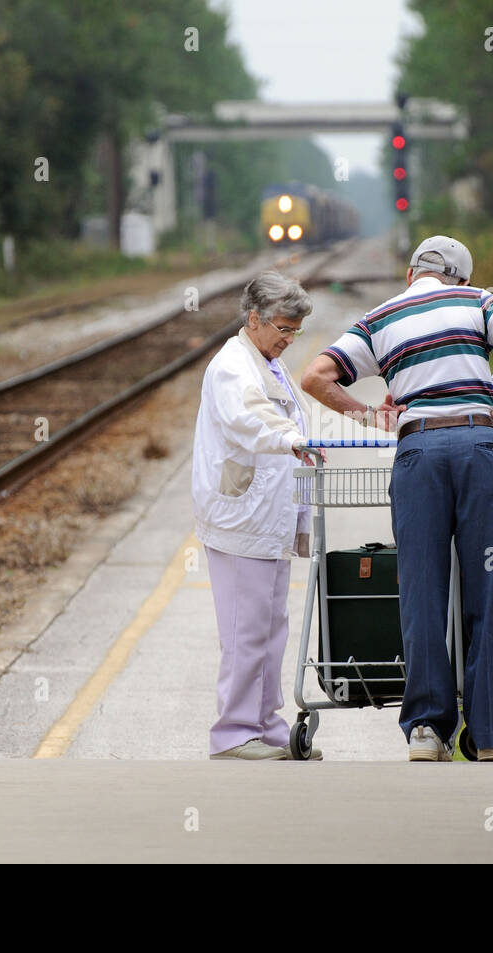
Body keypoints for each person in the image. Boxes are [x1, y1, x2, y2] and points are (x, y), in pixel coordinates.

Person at [301, 236, 493, 762]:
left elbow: (315, 376)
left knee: (420, 590)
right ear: (459, 276)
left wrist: (371, 415)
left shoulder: (379, 318)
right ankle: (489, 737)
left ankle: (426, 730)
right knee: (491, 589)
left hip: (418, 452)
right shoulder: (477, 302)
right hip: (482, 448)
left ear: (413, 273)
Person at [192, 271, 319, 761]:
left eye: (295, 332)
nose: (288, 340)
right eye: (283, 330)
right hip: (241, 517)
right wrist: (292, 439)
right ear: (254, 319)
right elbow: (249, 417)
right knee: (246, 629)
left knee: (270, 627)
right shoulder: (232, 366)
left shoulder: (265, 359)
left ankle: (266, 725)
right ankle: (233, 733)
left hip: (269, 518)